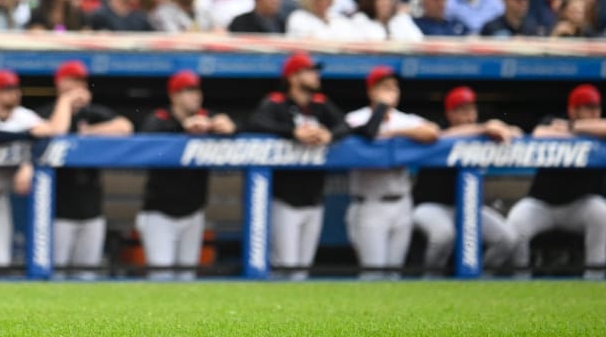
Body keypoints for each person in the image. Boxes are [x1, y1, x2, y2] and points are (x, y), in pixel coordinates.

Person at [0, 69, 87, 273]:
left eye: (15, 89)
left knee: (0, 261)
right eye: (5, 89)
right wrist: (29, 134)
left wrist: (28, 163)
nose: (12, 93)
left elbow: (55, 132)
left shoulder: (23, 115)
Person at [247, 52, 358, 279]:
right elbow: (255, 123)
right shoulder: (277, 102)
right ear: (293, 77)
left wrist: (329, 134)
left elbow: (345, 125)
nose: (315, 75)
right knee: (284, 267)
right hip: (284, 198)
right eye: (309, 71)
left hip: (314, 196)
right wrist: (292, 133)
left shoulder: (320, 103)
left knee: (302, 271)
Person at [342, 66, 441, 278]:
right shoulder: (356, 117)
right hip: (369, 204)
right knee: (373, 274)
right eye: (385, 87)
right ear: (371, 91)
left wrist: (396, 132)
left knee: (394, 275)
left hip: (402, 203)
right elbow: (367, 134)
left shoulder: (403, 119)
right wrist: (383, 111)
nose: (391, 91)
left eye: (394, 86)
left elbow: (433, 132)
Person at [411, 87, 522, 274]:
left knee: (507, 238)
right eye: (462, 110)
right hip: (431, 205)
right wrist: (483, 128)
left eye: (471, 110)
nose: (469, 115)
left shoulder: (484, 137)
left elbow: (518, 134)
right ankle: (431, 278)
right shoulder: (438, 128)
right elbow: (440, 136)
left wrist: (503, 128)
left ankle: (482, 277)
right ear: (449, 113)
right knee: (443, 236)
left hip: (468, 207)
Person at [139, 70, 236, 280]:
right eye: (187, 91)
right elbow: (147, 143)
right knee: (160, 278)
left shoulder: (207, 118)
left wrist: (229, 127)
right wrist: (182, 129)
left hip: (193, 212)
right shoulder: (160, 118)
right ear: (174, 96)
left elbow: (236, 132)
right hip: (159, 213)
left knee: (187, 279)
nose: (195, 96)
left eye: (196, 90)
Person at [42, 61, 132, 278]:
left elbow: (125, 127)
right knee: (55, 273)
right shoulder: (46, 112)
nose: (78, 85)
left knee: (87, 275)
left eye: (81, 81)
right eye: (72, 80)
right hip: (58, 209)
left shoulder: (92, 113)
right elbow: (57, 131)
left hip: (91, 206)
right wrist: (65, 102)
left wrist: (89, 131)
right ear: (59, 82)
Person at [505, 84, 606, 277]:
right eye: (588, 108)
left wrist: (572, 128)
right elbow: (539, 133)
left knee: (601, 212)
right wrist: (578, 132)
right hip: (542, 204)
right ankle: (520, 278)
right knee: (516, 220)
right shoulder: (552, 121)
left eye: (596, 107)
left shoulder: (573, 125)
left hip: (579, 206)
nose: (594, 112)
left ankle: (595, 277)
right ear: (572, 110)